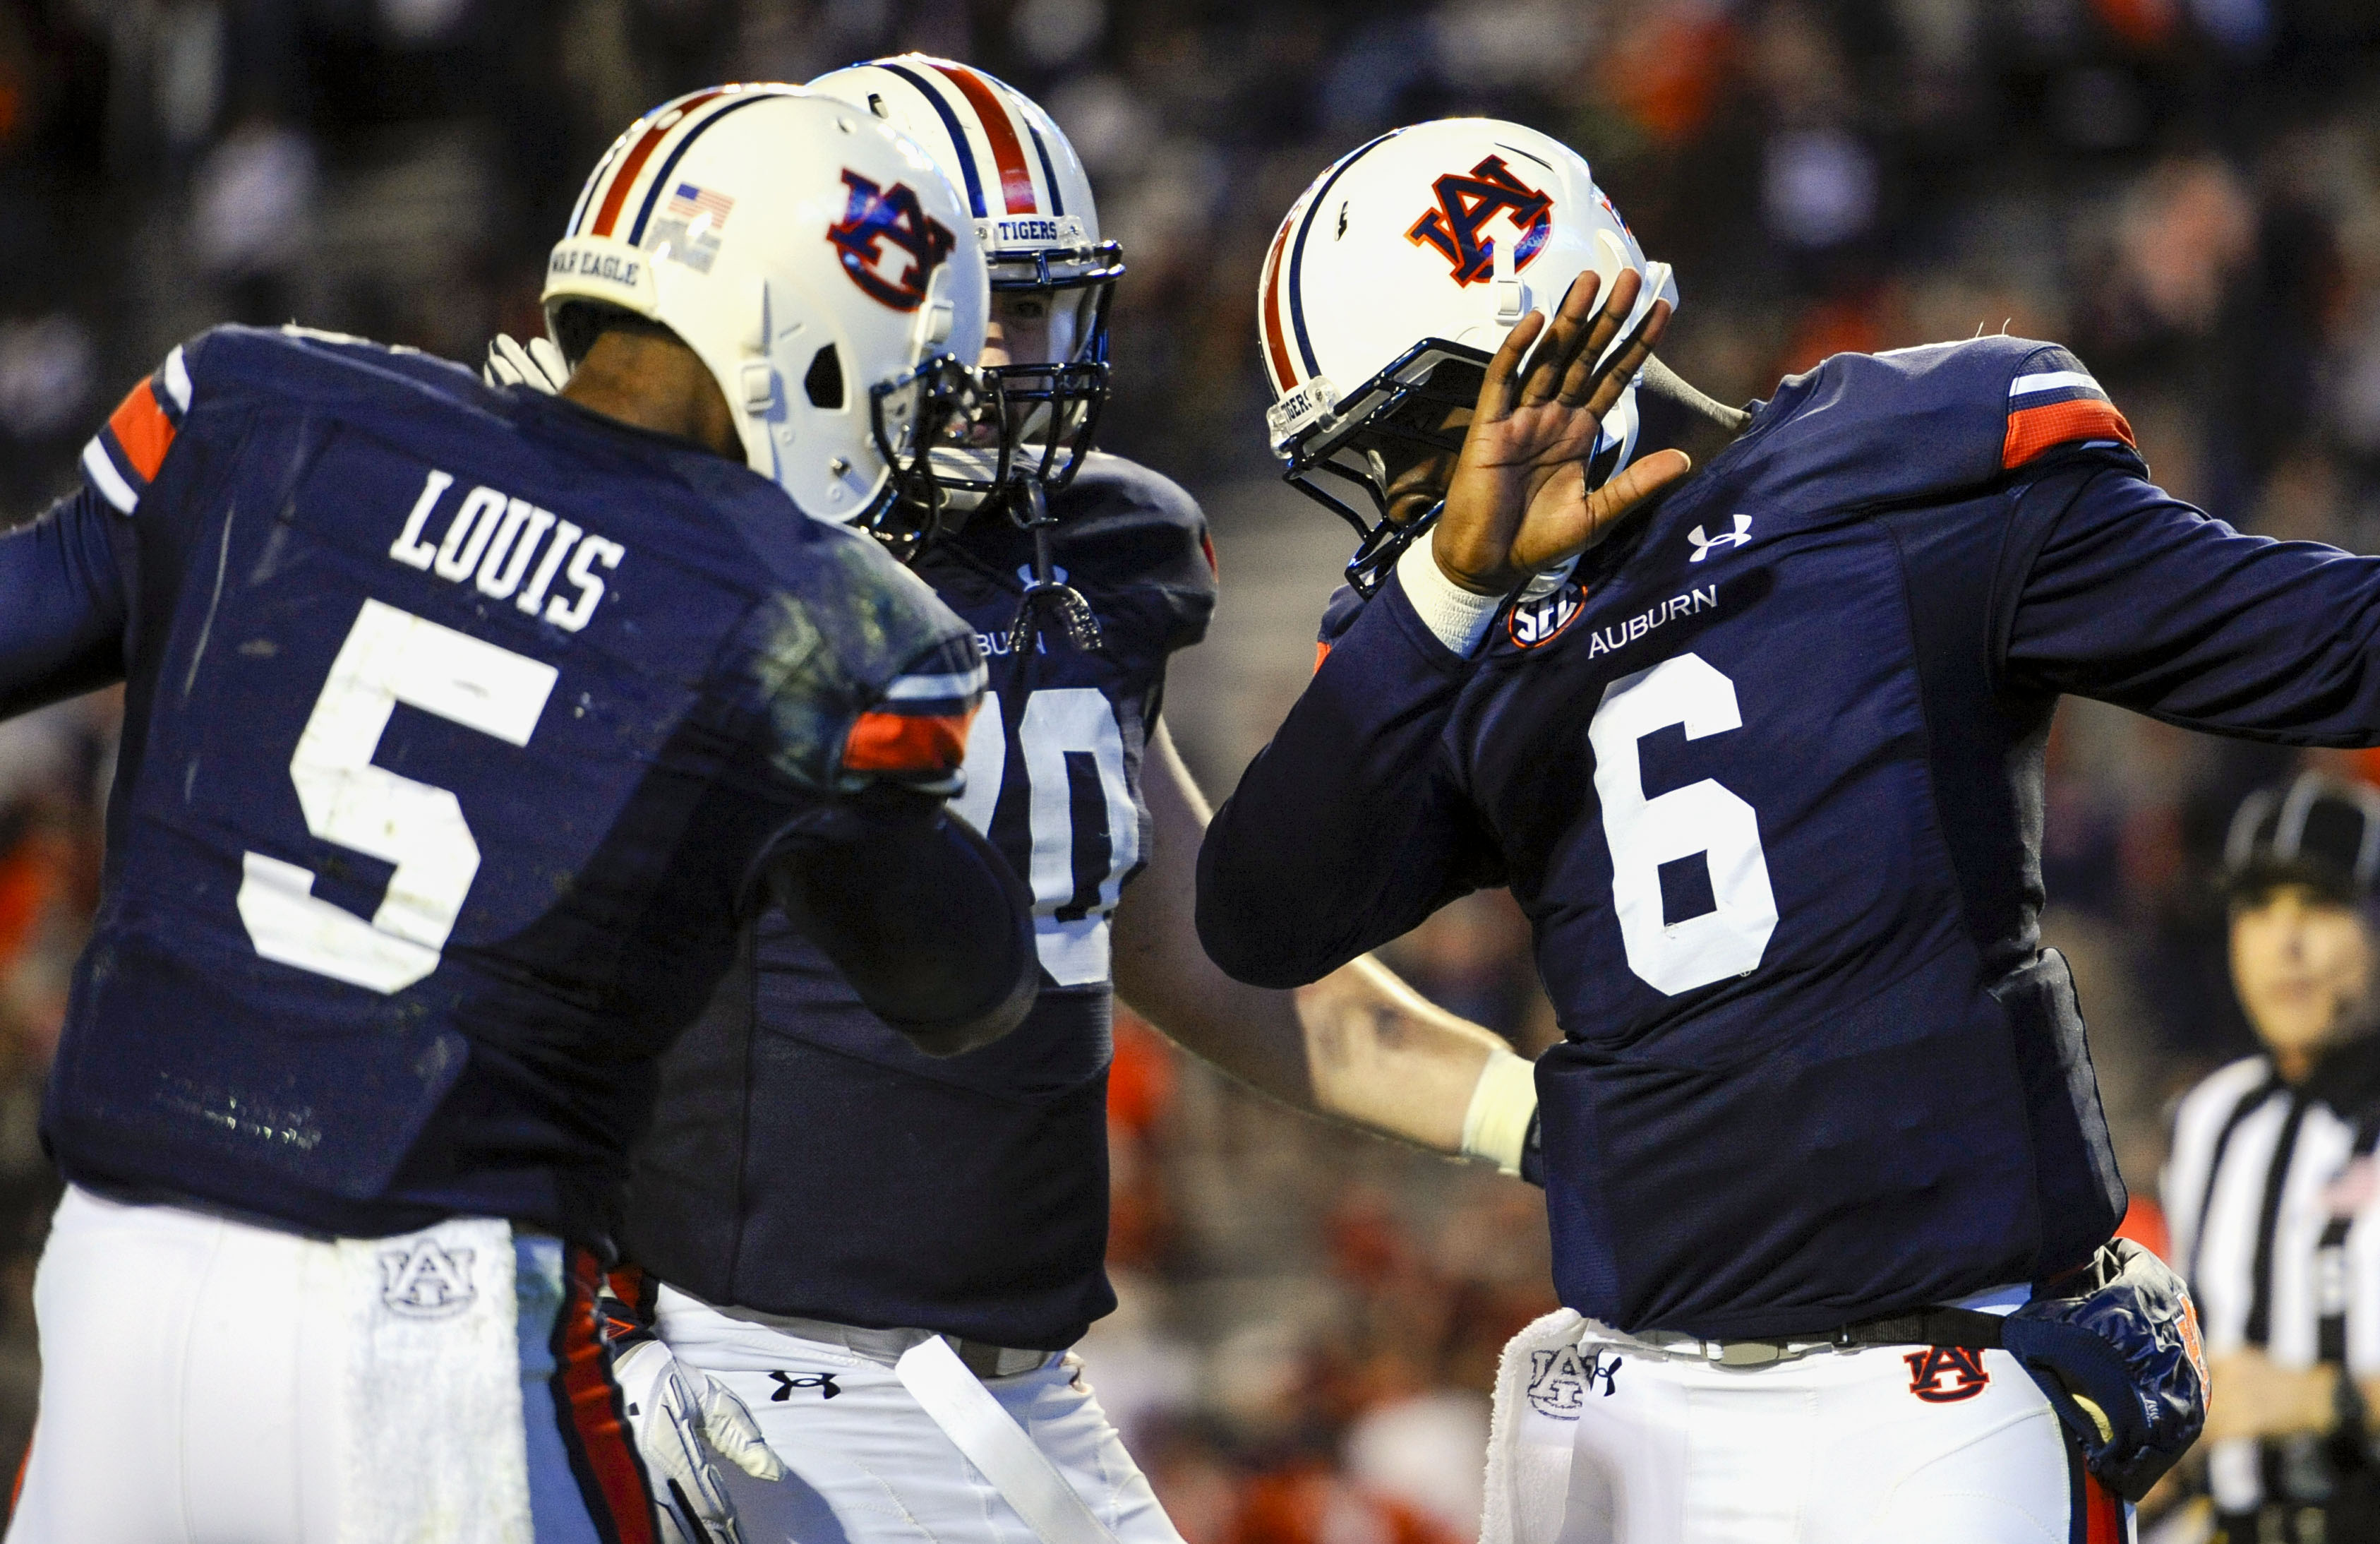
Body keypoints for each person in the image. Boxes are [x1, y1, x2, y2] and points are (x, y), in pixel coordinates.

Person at [1188, 114, 2380, 1541]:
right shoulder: (1456, 624)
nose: (1397, 501)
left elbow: (2329, 644)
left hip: (1929, 1387)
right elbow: (1259, 918)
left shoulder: (1903, 475)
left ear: (1569, 349)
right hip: (1628, 1393)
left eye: (1406, 437)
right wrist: (1442, 601)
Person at [496, 59, 1545, 1544]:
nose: (1024, 356)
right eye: (990, 305)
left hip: (1007, 1378)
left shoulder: (1103, 557)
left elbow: (1199, 952)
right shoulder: (711, 563)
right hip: (765, 1358)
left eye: (1049, 307)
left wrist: (1540, 1112)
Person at [3, 85, 1038, 1543]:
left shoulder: (258, 404)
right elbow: (962, 987)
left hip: (116, 1291)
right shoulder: (815, 612)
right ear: (814, 335)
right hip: (426, 1322)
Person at [2165, 773, 2380, 1541]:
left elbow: (2268, 1395)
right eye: (2257, 909)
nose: (2283, 944)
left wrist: (2323, 1399)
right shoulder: (2212, 1120)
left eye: (2320, 906)